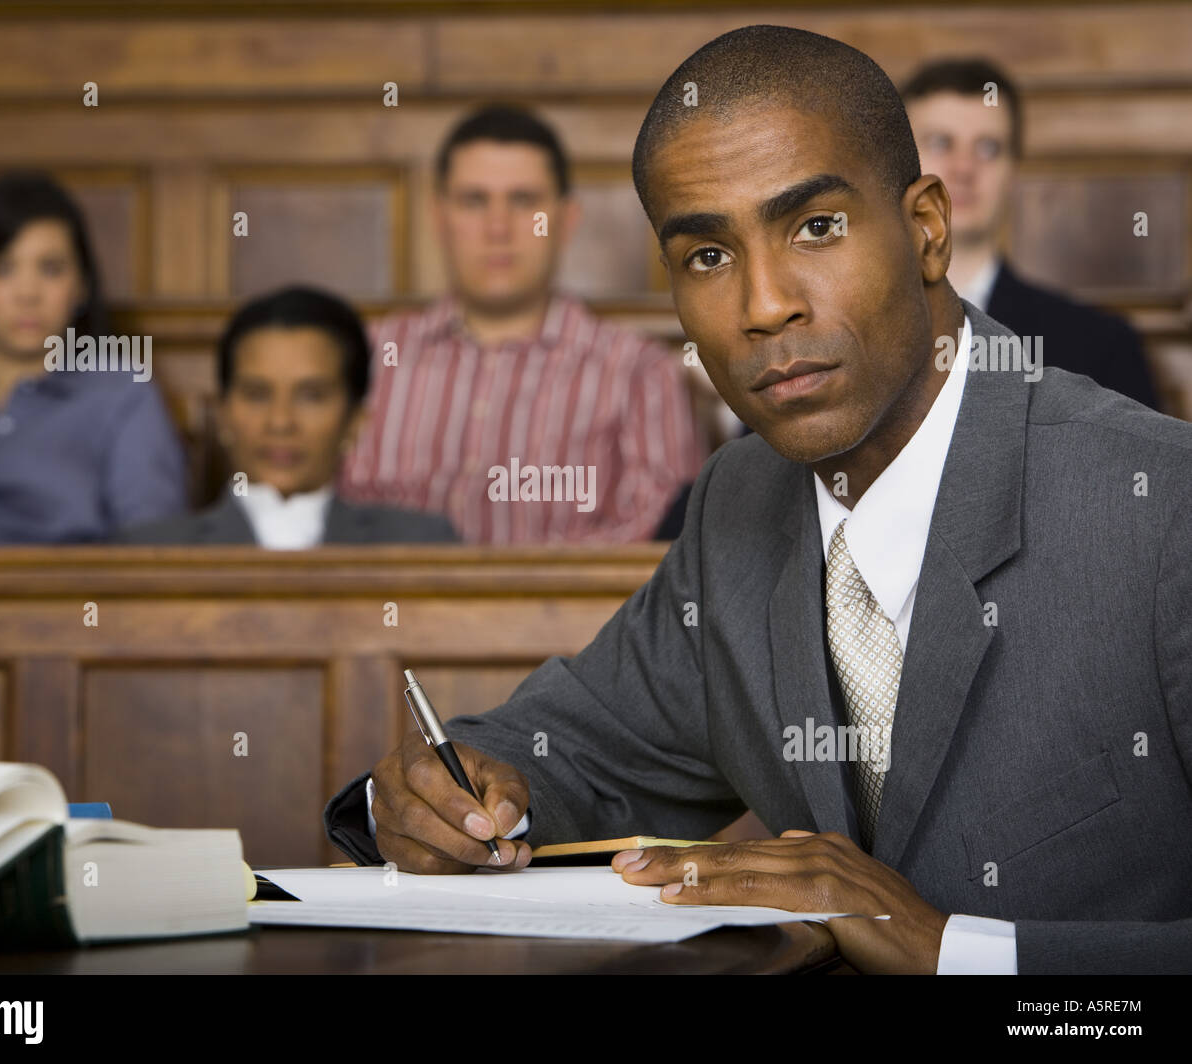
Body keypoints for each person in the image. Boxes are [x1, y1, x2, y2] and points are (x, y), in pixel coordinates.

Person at [325, 26, 1192, 975]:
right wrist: (446, 800)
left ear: (927, 230)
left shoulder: (1161, 510)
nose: (763, 304)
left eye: (815, 226)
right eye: (706, 255)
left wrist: (952, 954)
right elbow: (580, 747)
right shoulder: (740, 497)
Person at [338, 105, 705, 544]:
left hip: (573, 613)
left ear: (566, 220)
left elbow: (661, 542)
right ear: (439, 218)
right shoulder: (366, 356)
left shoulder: (638, 371)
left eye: (523, 201)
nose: (498, 228)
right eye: (474, 200)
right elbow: (311, 516)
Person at [0, 173, 187, 543]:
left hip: (68, 595)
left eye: (50, 269)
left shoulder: (120, 395)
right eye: (3, 269)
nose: (28, 294)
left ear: (81, 286)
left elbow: (154, 543)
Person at [900, 58, 1160, 408]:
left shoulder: (1100, 345)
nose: (963, 168)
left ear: (1014, 171)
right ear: (897, 162)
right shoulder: (841, 334)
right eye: (940, 143)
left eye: (988, 148)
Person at [121, 286, 457, 546]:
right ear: (223, 414)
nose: (280, 422)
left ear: (355, 421)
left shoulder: (419, 543)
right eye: (256, 395)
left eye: (311, 396)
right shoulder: (149, 552)